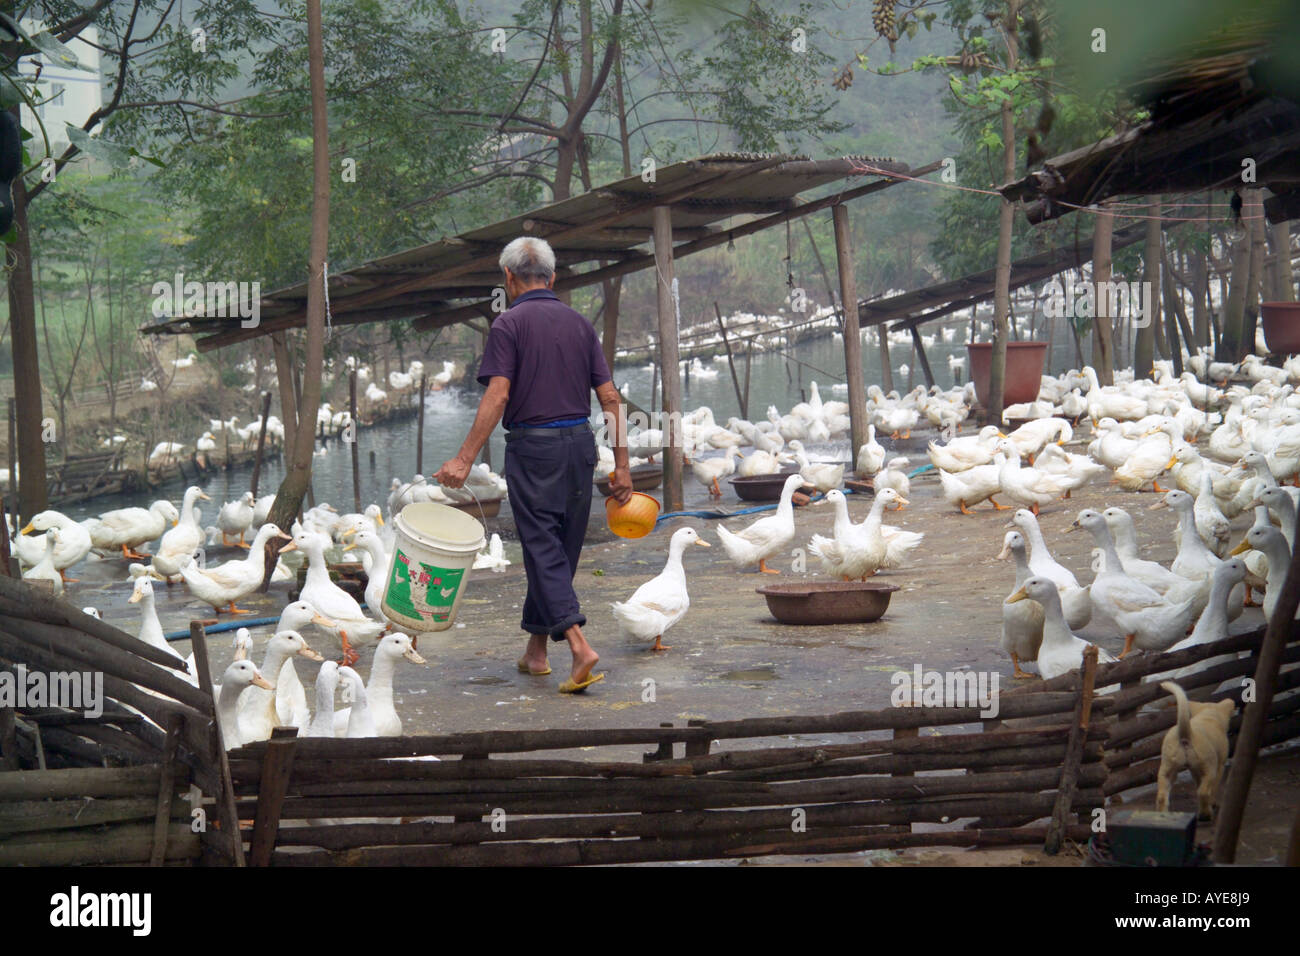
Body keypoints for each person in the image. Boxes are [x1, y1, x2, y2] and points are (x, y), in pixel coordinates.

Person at [435, 236, 632, 692]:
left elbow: (498, 394)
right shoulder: (580, 324)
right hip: (580, 447)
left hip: (534, 450)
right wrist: (622, 464)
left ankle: (580, 647)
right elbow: (609, 398)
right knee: (559, 550)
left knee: (542, 549)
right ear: (553, 276)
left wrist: (464, 459)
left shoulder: (508, 325)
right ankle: (536, 651)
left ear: (508, 277)